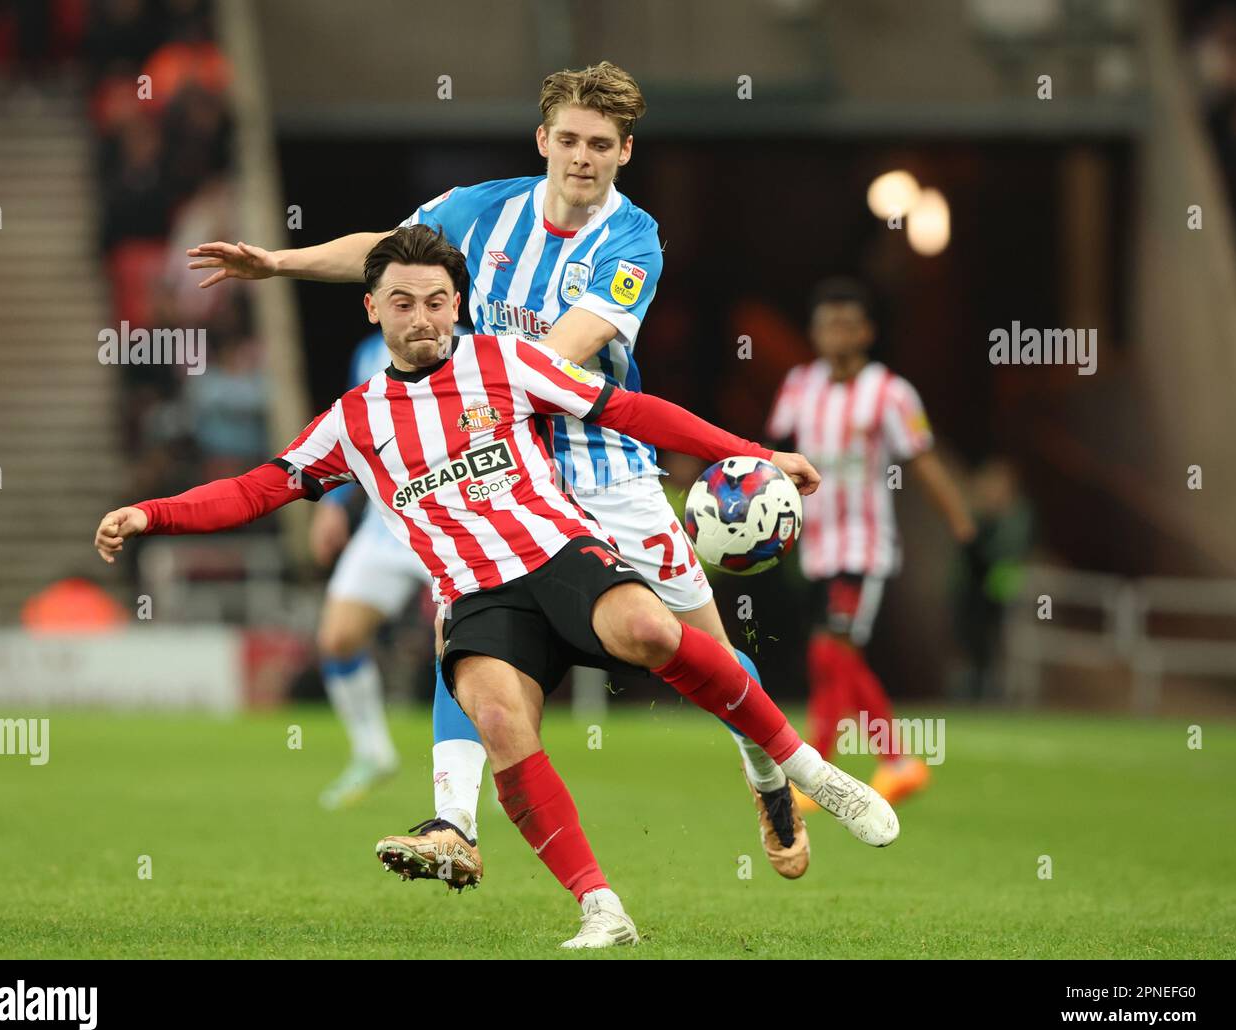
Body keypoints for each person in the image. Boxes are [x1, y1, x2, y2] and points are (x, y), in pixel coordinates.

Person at [97, 225, 899, 949]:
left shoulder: (505, 361)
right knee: (499, 722)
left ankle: (811, 773)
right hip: (478, 599)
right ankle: (600, 908)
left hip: (562, 556)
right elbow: (255, 490)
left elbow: (634, 412)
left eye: (438, 302)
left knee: (655, 633)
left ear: (459, 304)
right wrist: (151, 514)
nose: (422, 319)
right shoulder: (353, 419)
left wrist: (750, 450)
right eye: (403, 303)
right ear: (372, 307)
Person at [185, 61, 809, 881]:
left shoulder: (632, 239)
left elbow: (564, 356)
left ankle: (768, 778)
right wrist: (279, 263)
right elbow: (385, 255)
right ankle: (452, 822)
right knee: (464, 625)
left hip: (604, 468)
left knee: (709, 654)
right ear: (543, 139)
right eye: (570, 140)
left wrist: (461, 398)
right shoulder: (479, 210)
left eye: (601, 144)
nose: (582, 157)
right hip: (499, 472)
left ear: (625, 152)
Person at [767, 279, 975, 808]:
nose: (837, 332)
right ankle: (868, 763)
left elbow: (921, 456)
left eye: (848, 322)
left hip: (864, 544)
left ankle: (854, 763)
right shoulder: (798, 385)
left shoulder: (892, 391)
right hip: (812, 544)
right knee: (828, 655)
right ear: (813, 332)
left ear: (867, 331)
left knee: (833, 647)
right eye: (827, 322)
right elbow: (772, 452)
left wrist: (958, 517)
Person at [310, 329, 438, 808]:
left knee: (472, 650)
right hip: (387, 523)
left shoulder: (473, 345)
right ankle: (372, 752)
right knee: (338, 637)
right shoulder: (366, 352)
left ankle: (491, 766)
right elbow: (353, 437)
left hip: (454, 522)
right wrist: (334, 503)